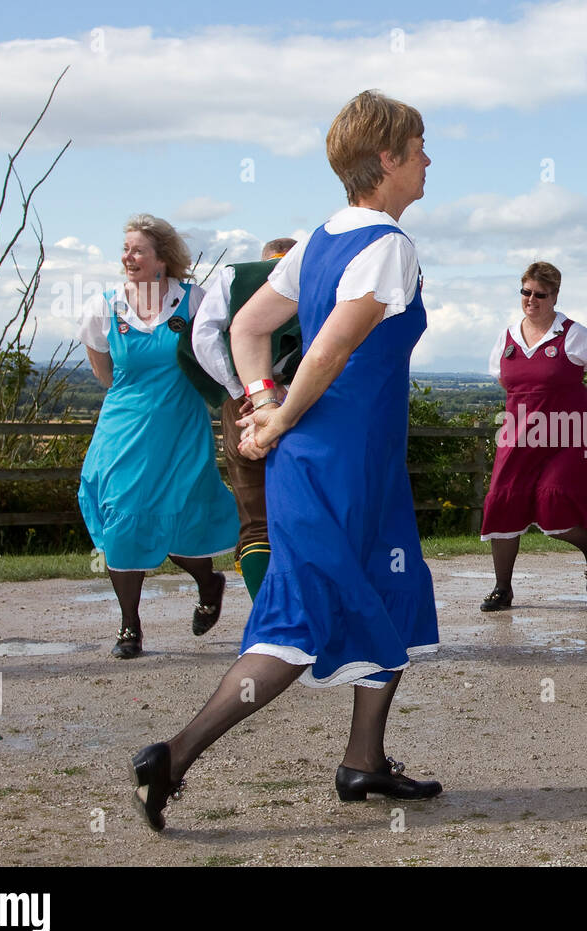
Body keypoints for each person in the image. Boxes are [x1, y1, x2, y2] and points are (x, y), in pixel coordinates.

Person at [130, 90, 442, 831]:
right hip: (337, 464)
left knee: (390, 594)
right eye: (420, 147)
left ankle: (363, 760)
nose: (430, 160)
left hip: (351, 466)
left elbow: (248, 326)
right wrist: (276, 417)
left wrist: (264, 397)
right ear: (388, 159)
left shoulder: (321, 238)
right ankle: (173, 755)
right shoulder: (389, 245)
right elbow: (331, 347)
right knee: (298, 622)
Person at [77, 214, 239, 660]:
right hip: (123, 428)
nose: (128, 257)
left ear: (162, 259)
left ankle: (209, 583)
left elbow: (217, 353)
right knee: (123, 514)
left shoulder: (194, 301)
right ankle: (130, 626)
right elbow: (104, 373)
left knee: (179, 514)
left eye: (137, 250)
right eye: (125, 249)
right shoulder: (103, 307)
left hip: (180, 427)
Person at [478, 261, 587, 610]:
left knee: (553, 502)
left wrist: (578, 399)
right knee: (502, 500)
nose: (531, 300)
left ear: (554, 296)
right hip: (519, 434)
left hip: (568, 436)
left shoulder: (573, 334)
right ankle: (503, 588)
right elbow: (506, 380)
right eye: (526, 292)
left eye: (540, 294)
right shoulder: (507, 337)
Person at [186, 237, 300, 598]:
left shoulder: (235, 277)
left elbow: (202, 336)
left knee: (256, 521)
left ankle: (269, 620)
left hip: (245, 402)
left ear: (266, 258)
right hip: (304, 400)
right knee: (308, 510)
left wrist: (241, 389)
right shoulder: (319, 276)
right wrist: (290, 389)